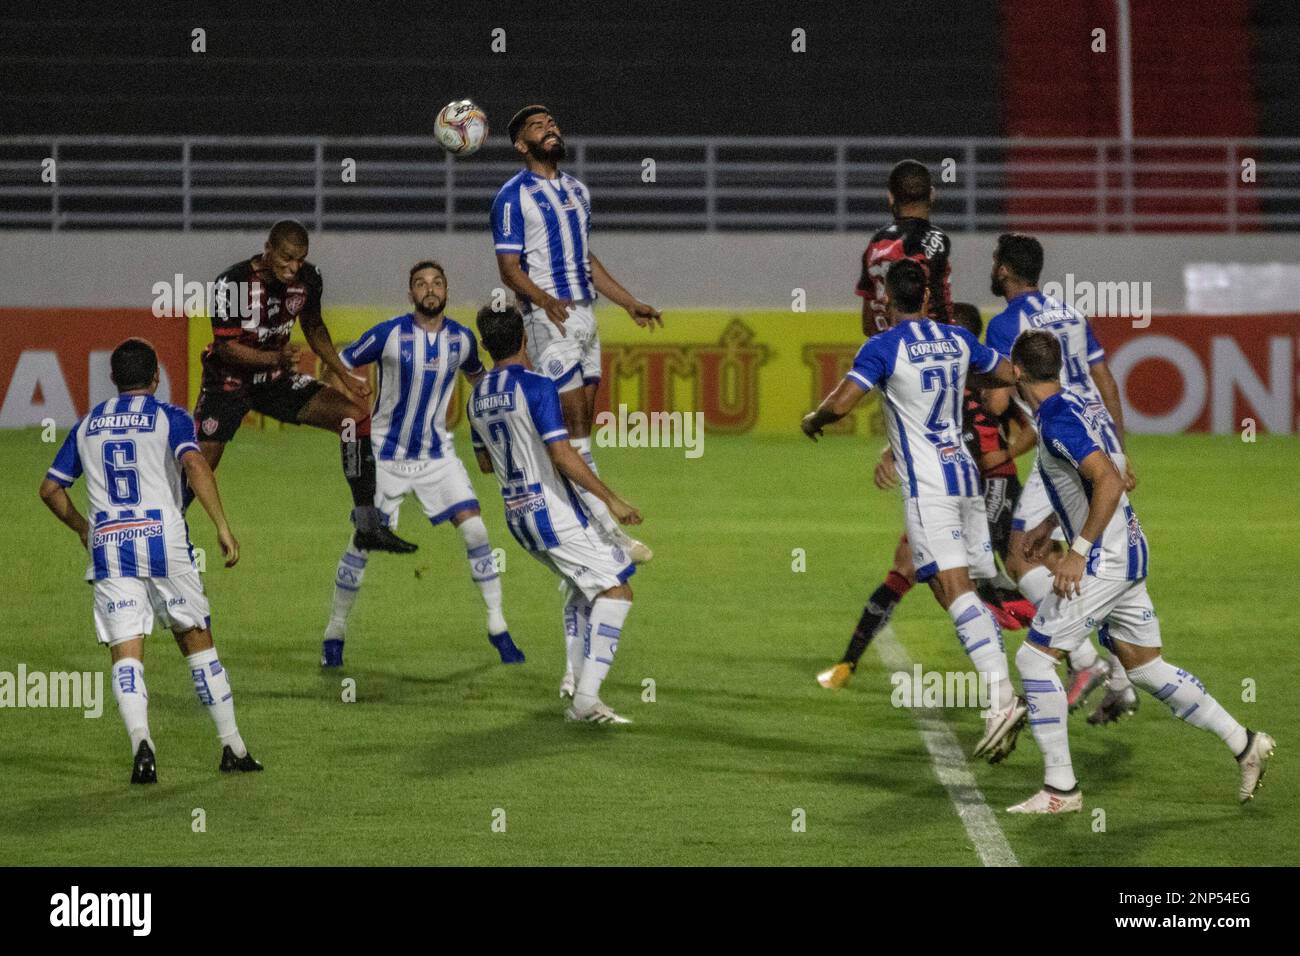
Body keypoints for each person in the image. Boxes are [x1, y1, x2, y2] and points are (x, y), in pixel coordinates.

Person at [1005, 329, 1273, 813]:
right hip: (1128, 550)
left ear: (1017, 371)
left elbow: (1108, 479)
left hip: (1103, 560)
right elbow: (1119, 470)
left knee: (1033, 660)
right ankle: (1245, 742)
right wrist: (1049, 524)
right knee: (1146, 669)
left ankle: (1060, 789)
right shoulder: (1083, 406)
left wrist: (1077, 550)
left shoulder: (1057, 419)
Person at [803, 262, 1026, 763]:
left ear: (886, 302)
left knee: (954, 590)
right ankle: (1027, 679)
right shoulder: (958, 339)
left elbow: (841, 404)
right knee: (970, 590)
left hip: (930, 490)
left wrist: (813, 418)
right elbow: (1007, 373)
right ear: (928, 297)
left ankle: (1002, 699)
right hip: (968, 478)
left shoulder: (882, 347)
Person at [39, 338, 261, 783]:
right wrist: (221, 525)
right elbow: (196, 465)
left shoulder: (87, 425)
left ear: (114, 380)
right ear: (156, 379)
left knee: (127, 652)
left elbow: (50, 489)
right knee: (196, 638)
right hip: (165, 541)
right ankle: (232, 745)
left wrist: (85, 528)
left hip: (109, 546)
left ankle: (142, 742)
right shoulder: (170, 417)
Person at [816, 303, 1038, 690]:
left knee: (992, 581)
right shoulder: (948, 369)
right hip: (950, 486)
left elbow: (1020, 416)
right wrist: (890, 452)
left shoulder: (980, 380)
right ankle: (848, 661)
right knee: (914, 572)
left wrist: (1005, 452)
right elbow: (925, 419)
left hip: (982, 486)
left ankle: (1061, 649)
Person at [320, 261, 522, 668]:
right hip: (384, 455)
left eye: (437, 283)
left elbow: (480, 382)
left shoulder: (462, 340)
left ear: (446, 290)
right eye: (420, 284)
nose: (429, 289)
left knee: (477, 529)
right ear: (410, 294)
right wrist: (348, 390)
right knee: (362, 541)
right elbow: (333, 364)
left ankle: (498, 627)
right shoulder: (389, 334)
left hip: (436, 455)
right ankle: (334, 633)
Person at [491, 104, 659, 565]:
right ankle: (607, 532)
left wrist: (628, 302)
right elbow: (508, 269)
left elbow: (586, 260)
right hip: (551, 322)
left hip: (585, 318)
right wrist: (544, 302)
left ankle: (587, 520)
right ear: (521, 145)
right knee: (568, 427)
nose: (551, 129)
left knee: (584, 424)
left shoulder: (578, 191)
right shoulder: (512, 197)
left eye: (553, 123)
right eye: (538, 127)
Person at [192, 219, 414, 554]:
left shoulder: (309, 279)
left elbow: (314, 326)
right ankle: (162, 527)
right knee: (200, 466)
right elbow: (226, 347)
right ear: (267, 249)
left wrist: (343, 373)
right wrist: (274, 360)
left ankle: (368, 525)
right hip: (228, 382)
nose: (294, 267)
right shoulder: (233, 282)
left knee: (353, 419)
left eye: (300, 258)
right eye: (287, 258)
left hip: (275, 382)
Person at [985, 233, 1136, 720]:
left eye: (995, 262)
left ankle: (1086, 659)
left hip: (1061, 441)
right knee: (1091, 562)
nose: (992, 267)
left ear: (1005, 270)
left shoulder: (1006, 324)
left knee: (1021, 553)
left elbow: (999, 399)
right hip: (1096, 440)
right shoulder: (1070, 314)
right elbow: (1105, 378)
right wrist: (1120, 449)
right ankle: (1121, 676)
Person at [467, 306, 643, 723]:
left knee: (583, 588)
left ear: (485, 346)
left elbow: (486, 465)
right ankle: (585, 699)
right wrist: (611, 499)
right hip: (552, 512)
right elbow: (562, 454)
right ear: (525, 340)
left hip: (515, 515)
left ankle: (574, 678)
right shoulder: (537, 386)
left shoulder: (475, 398)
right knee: (616, 591)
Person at [855, 159, 954, 336]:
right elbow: (937, 308)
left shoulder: (875, 244)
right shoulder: (935, 239)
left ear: (891, 197)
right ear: (932, 195)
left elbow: (867, 323)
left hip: (883, 350)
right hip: (926, 348)